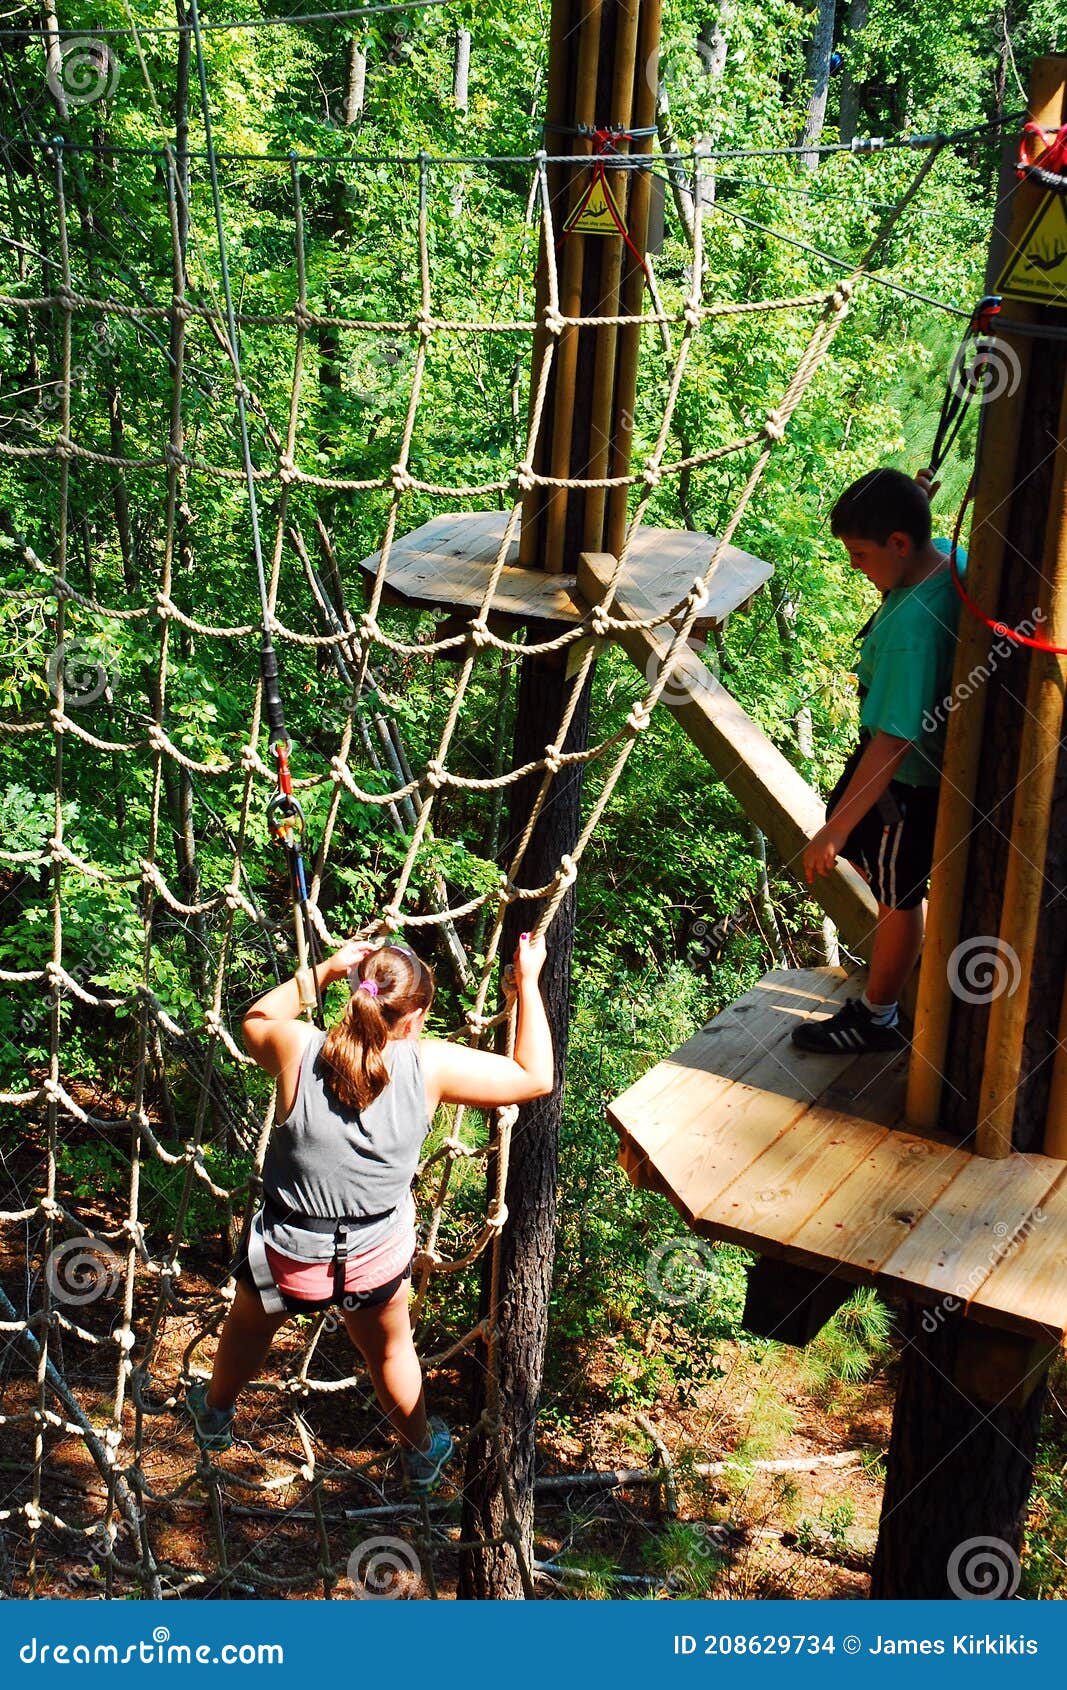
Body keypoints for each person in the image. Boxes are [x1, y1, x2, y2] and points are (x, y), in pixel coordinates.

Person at [185, 931, 553, 1493]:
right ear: (416, 1016)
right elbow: (534, 1077)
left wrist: (328, 969)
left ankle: (214, 1415)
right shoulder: (430, 1066)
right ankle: (421, 1450)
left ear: (357, 993)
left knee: (249, 1326)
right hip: (372, 1260)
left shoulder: (297, 1047)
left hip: (290, 1257)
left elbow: (255, 1017)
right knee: (389, 1351)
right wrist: (527, 980)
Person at [793, 466, 965, 1055]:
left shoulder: (912, 631)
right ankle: (896, 965)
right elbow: (912, 546)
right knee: (877, 864)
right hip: (891, 765)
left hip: (909, 782)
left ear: (897, 543)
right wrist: (914, 504)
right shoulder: (944, 559)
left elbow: (894, 744)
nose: (855, 566)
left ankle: (879, 1016)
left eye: (860, 554)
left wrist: (833, 833)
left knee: (897, 896)